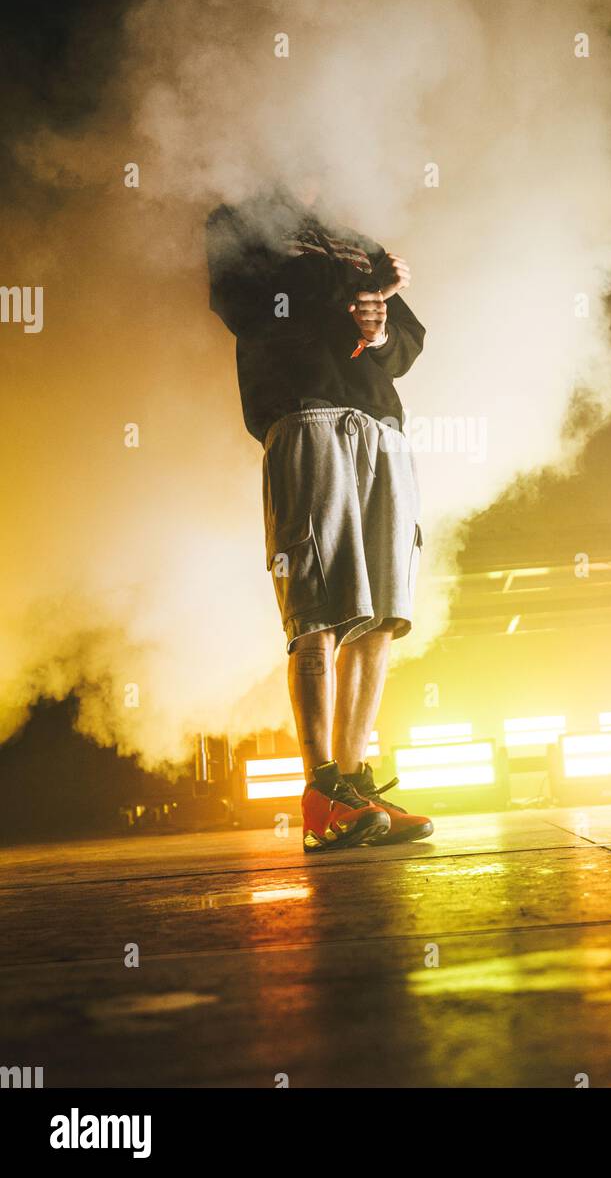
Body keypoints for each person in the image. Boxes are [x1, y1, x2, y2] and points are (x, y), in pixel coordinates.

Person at [206, 177, 432, 851]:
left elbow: (407, 345)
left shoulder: (354, 238)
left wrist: (379, 323)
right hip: (305, 415)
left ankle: (358, 783)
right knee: (318, 608)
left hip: (380, 426)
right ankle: (320, 789)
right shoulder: (239, 221)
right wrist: (348, 294)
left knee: (381, 613)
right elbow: (246, 304)